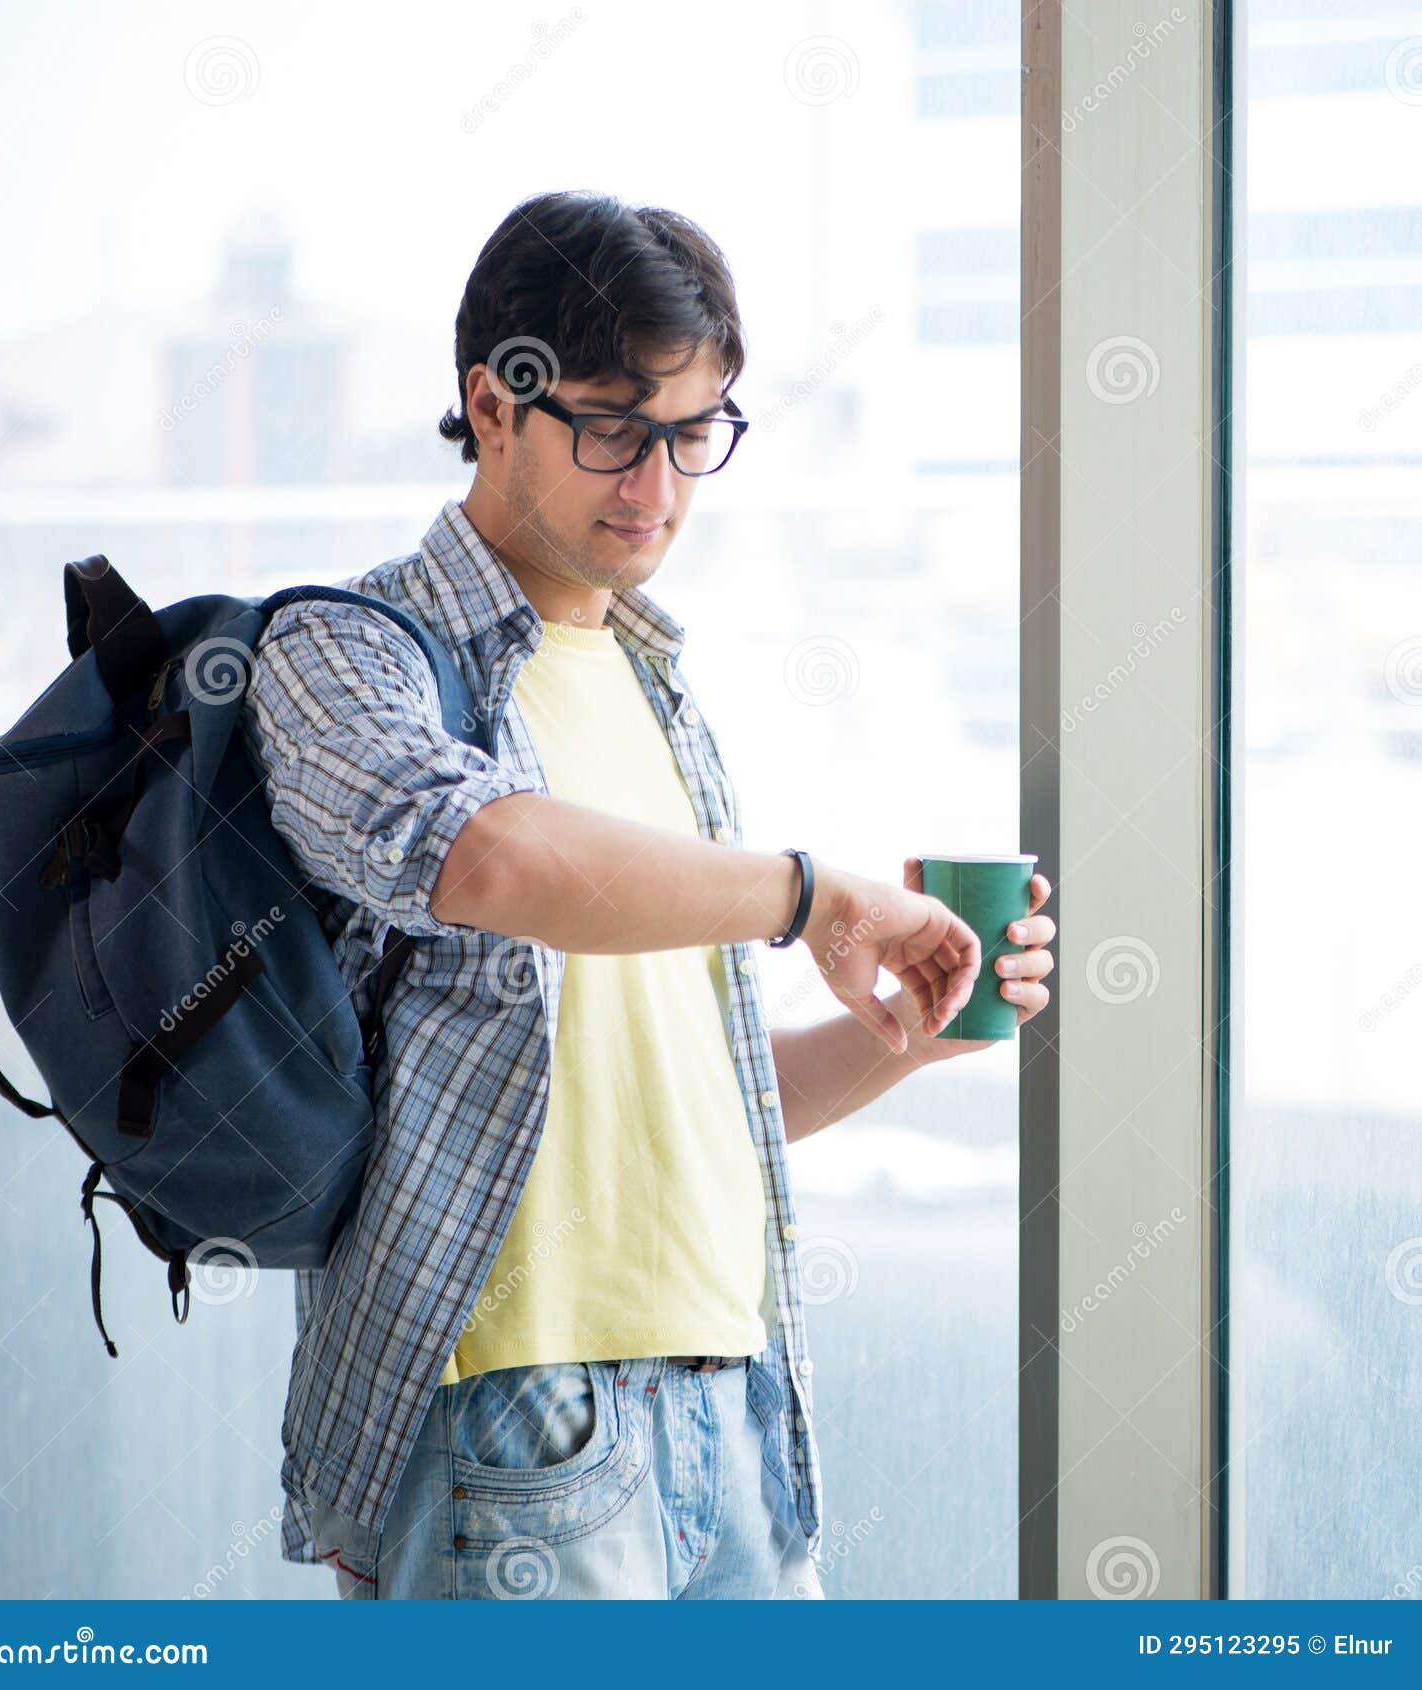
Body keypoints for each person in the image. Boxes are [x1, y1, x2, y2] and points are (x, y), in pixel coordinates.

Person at [240, 188, 1056, 1600]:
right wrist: (809, 898)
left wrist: (911, 1026)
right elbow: (482, 860)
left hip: (735, 1397)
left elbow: (705, 1096)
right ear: (494, 407)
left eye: (692, 435)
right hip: (512, 1415)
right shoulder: (344, 652)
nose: (655, 487)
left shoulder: (651, 683)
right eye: (613, 427)